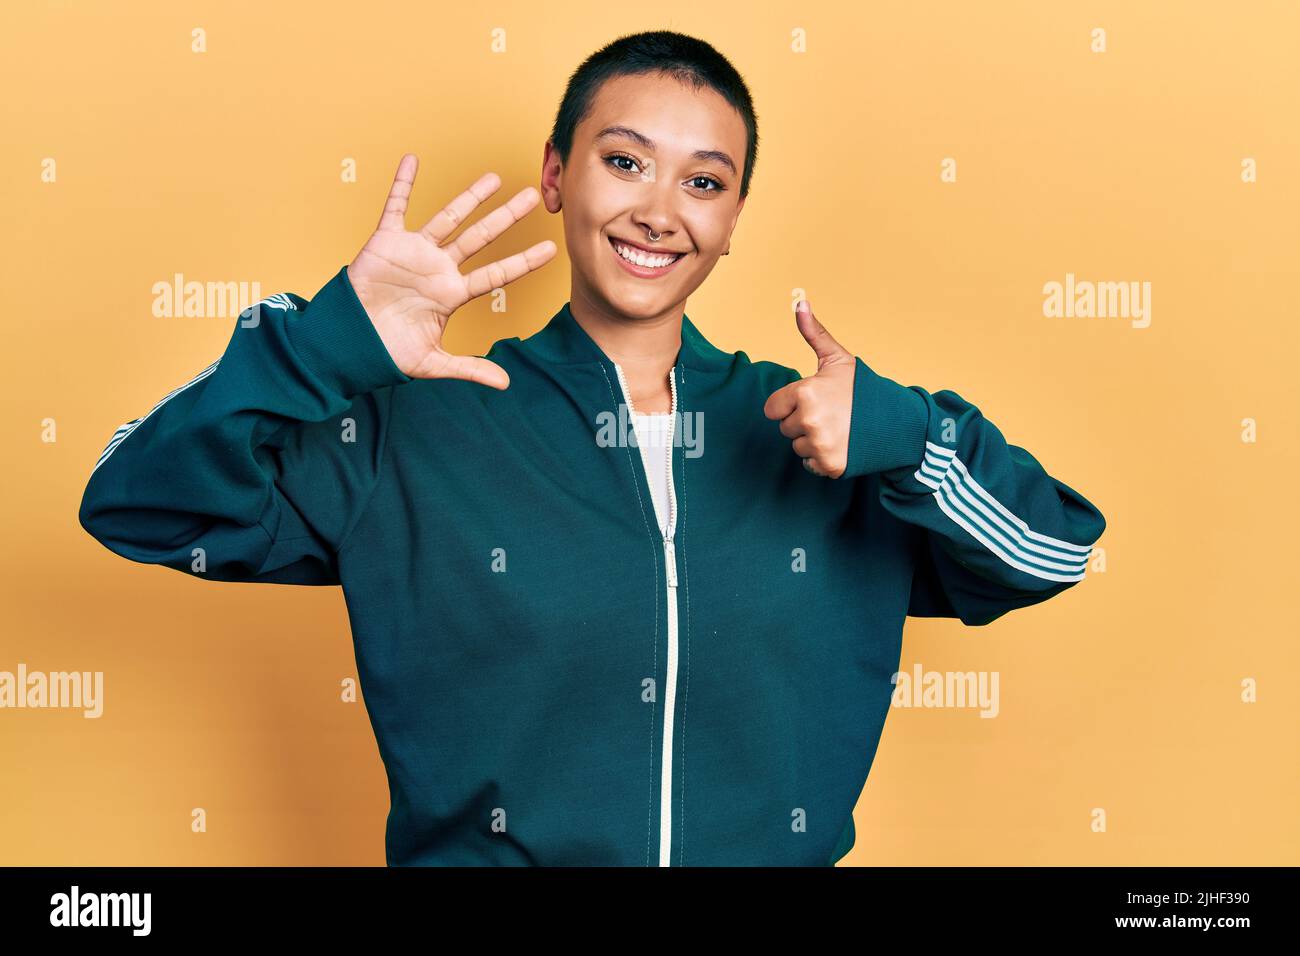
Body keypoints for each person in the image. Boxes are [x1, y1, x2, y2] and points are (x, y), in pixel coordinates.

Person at [78, 30, 1106, 866]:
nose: (658, 212)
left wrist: (909, 436)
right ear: (557, 174)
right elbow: (133, 498)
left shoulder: (818, 435)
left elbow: (1055, 552)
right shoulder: (417, 427)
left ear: (735, 216)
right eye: (624, 163)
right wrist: (323, 348)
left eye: (704, 183)